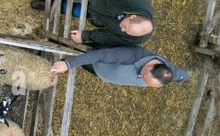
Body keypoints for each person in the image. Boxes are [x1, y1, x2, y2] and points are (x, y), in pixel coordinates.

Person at [51, 46, 190, 88]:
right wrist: (68, 64)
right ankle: (63, 60)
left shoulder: (169, 74)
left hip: (104, 74)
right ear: (148, 68)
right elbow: (101, 54)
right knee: (79, 58)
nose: (141, 79)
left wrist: (185, 77)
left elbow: (180, 75)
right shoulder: (132, 56)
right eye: (144, 78)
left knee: (80, 66)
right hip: (97, 64)